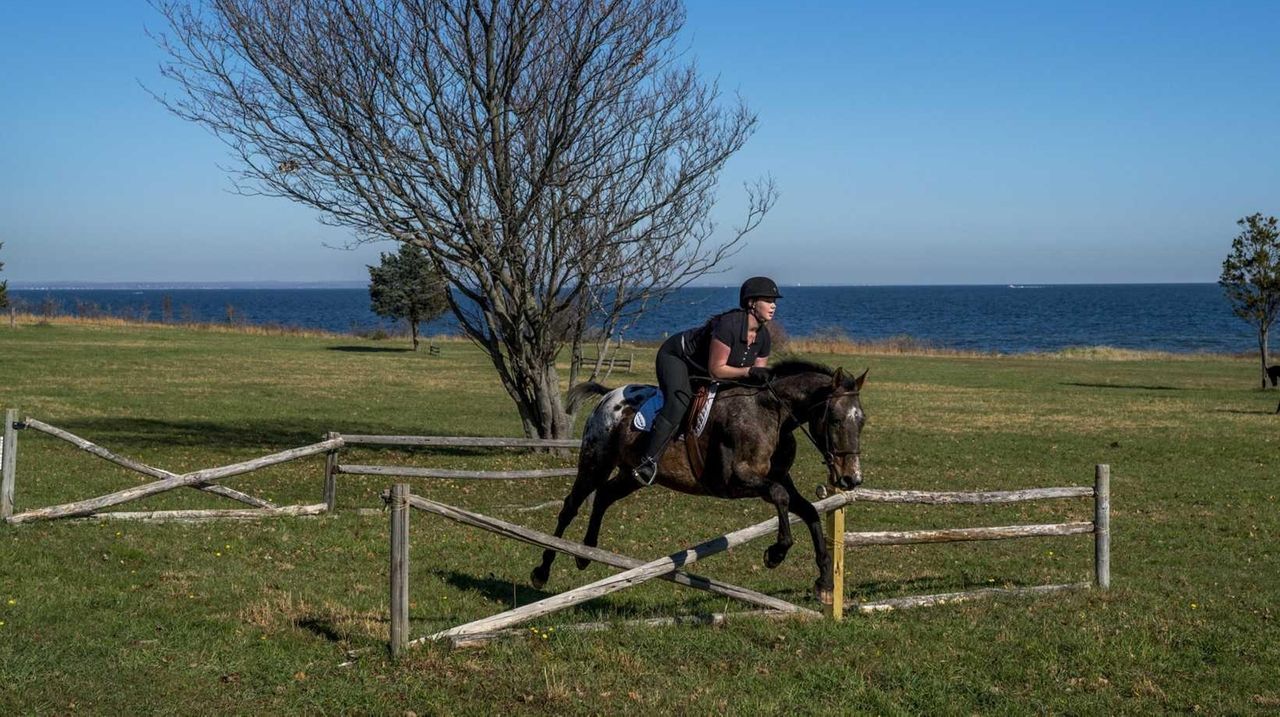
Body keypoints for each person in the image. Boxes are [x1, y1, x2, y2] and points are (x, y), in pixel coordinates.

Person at [632, 276, 782, 485]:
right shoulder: (728, 326)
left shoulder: (763, 337)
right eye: (768, 300)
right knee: (679, 401)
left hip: (706, 368)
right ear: (751, 303)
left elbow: (756, 377)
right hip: (677, 357)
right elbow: (717, 370)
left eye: (774, 301)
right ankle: (648, 461)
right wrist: (749, 371)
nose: (773, 306)